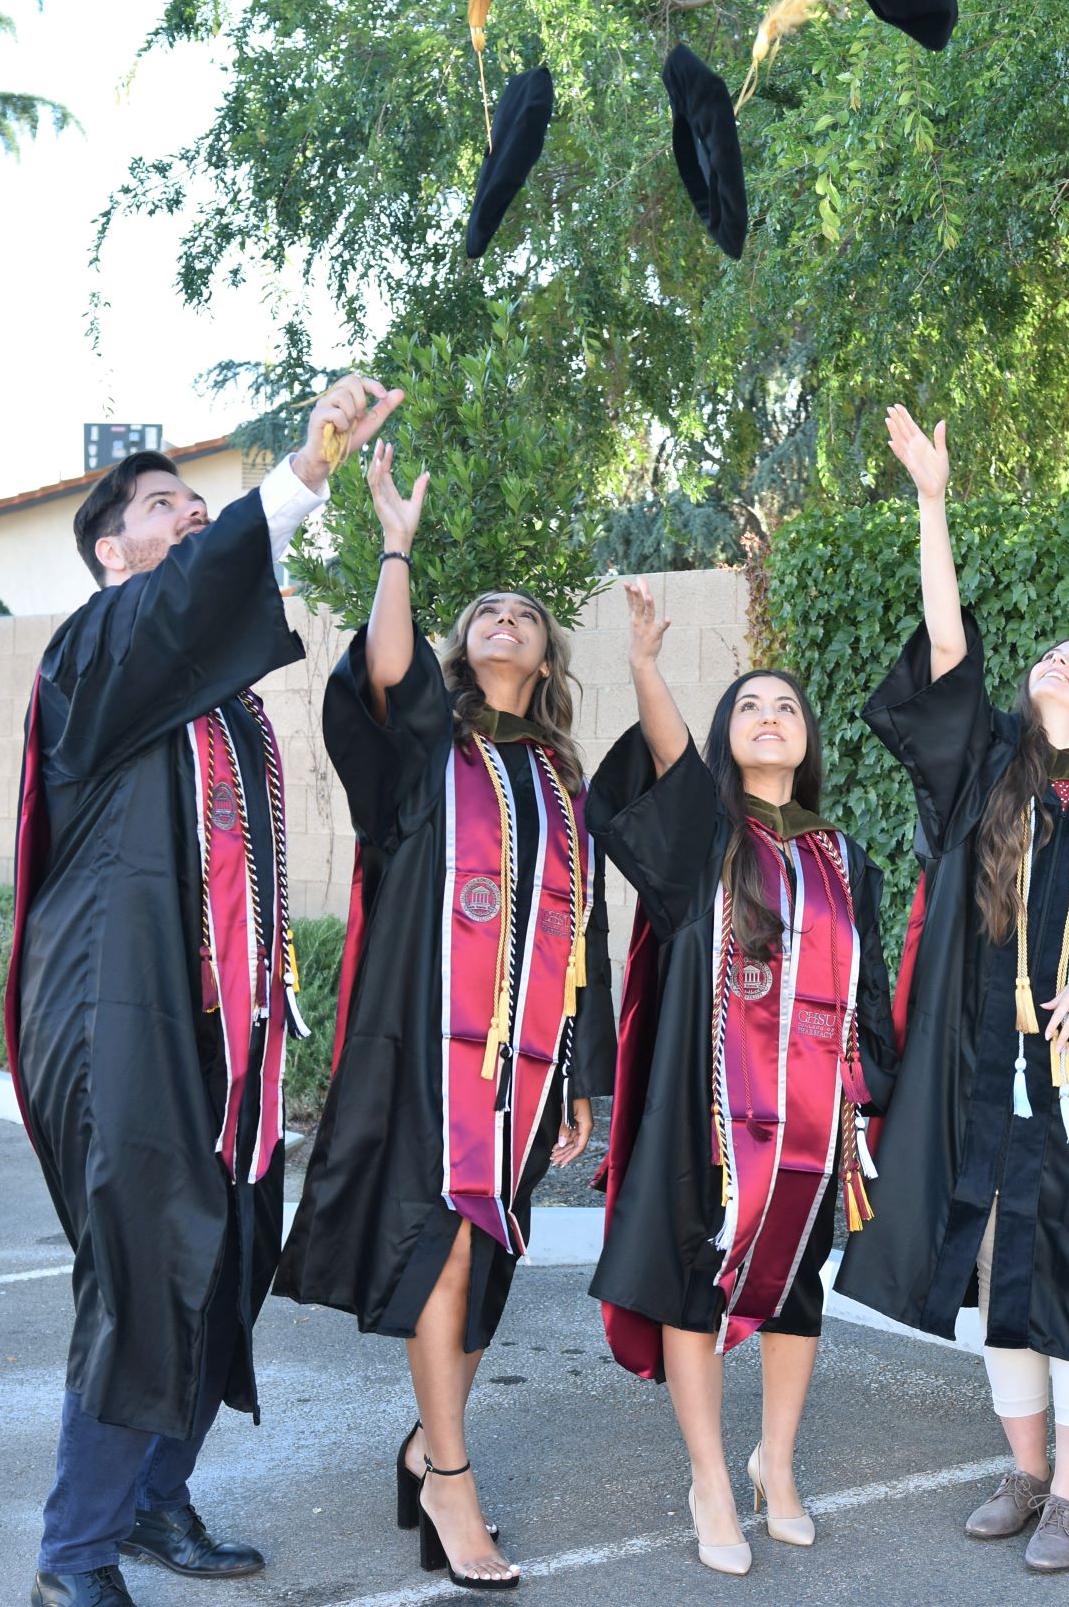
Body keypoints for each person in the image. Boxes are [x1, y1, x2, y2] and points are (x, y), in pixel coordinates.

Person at [8, 375, 401, 1607]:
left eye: (196, 502)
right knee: (141, 1262)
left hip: (222, 1038)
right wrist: (309, 464)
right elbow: (193, 595)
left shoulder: (216, 707)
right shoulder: (98, 648)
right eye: (165, 504)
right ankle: (71, 1557)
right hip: (121, 1021)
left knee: (224, 1254)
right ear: (109, 547)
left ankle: (150, 1500)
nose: (189, 517)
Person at [833, 405, 1069, 1575]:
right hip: (986, 1068)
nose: (1057, 663)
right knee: (994, 1269)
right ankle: (1026, 1469)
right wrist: (934, 504)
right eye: (1049, 655)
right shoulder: (989, 766)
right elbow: (945, 660)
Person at [273, 443, 613, 1593]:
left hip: (523, 1074)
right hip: (429, 1056)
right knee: (444, 1256)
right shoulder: (430, 748)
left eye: (525, 614)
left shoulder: (563, 781)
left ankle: (427, 1448)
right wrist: (397, 545)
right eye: (487, 613)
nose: (505, 621)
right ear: (462, 647)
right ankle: (453, 1480)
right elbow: (384, 667)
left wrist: (578, 1074)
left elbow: (584, 941)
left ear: (549, 654)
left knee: (488, 1271)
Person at [587, 581, 900, 1576]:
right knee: (693, 1280)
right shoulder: (702, 838)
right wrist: (645, 666)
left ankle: (780, 1461)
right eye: (750, 707)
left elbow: (871, 987)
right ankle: (713, 1478)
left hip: (813, 1120)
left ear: (808, 740)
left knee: (798, 1289)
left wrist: (866, 1092)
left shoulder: (847, 858)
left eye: (788, 707)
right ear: (727, 736)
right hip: (704, 1112)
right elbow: (668, 771)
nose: (771, 718)